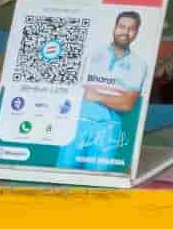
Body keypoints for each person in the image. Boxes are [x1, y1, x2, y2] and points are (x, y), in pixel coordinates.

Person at [58, 10, 149, 171]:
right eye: (122, 26)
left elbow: (127, 104)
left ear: (136, 33)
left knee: (96, 180)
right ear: (114, 28)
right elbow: (72, 89)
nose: (125, 32)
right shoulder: (91, 53)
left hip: (108, 128)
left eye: (131, 28)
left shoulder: (139, 64)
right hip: (78, 123)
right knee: (63, 173)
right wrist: (111, 97)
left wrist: (96, 95)